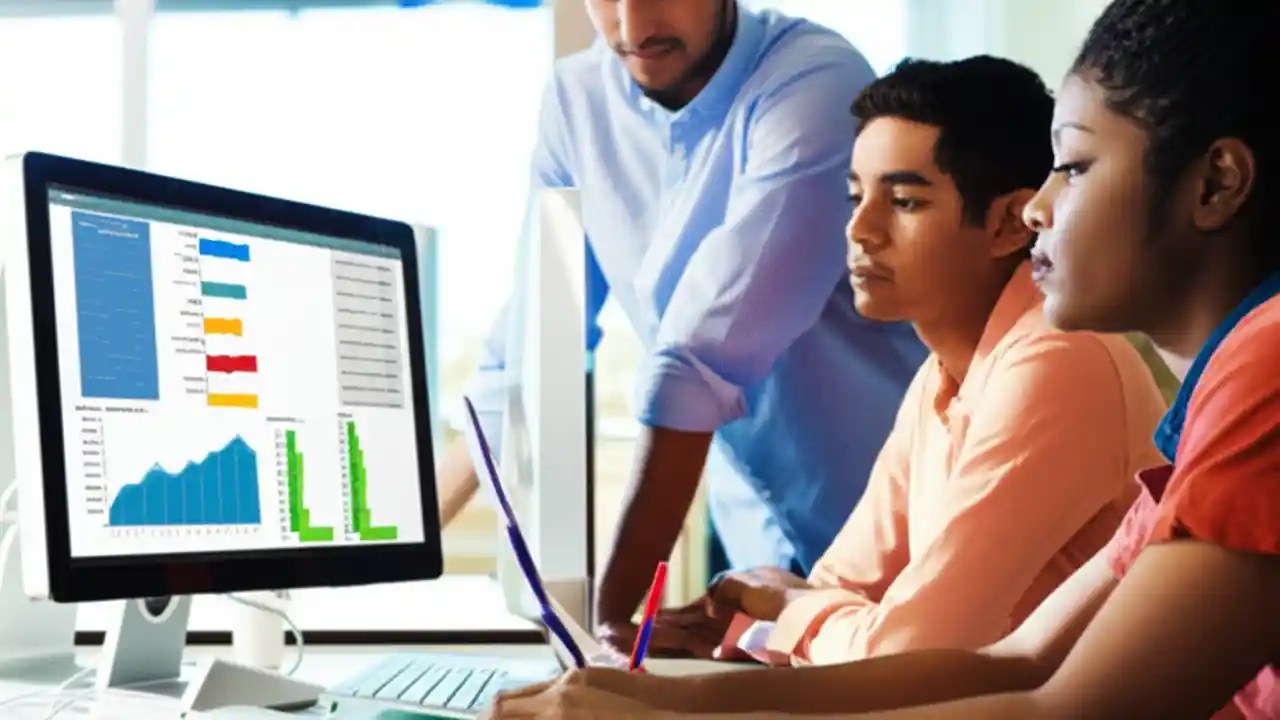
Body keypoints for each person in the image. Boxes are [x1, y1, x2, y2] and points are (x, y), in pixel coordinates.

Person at [483, 0, 1280, 716]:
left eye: (1071, 168)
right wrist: (671, 703)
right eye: (853, 197)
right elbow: (1020, 661)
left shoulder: (1249, 370)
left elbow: (1056, 704)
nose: (1042, 208)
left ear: (1216, 184)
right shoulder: (1191, 392)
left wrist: (745, 651)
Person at [436, 0, 927, 651]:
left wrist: (598, 631)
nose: (633, 27)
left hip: (899, 548)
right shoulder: (578, 101)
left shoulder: (816, 83)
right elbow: (524, 359)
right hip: (762, 563)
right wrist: (372, 561)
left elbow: (697, 366)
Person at [662, 54, 1168, 669]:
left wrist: (786, 612)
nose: (860, 229)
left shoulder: (1059, 362)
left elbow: (909, 647)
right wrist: (770, 621)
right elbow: (843, 585)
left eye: (903, 202)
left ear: (1011, 222)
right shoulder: (942, 373)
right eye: (855, 196)